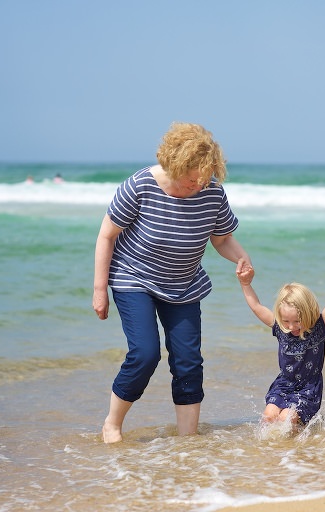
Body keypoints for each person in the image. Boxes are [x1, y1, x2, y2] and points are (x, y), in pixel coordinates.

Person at [92, 122, 251, 443]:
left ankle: (187, 439)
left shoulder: (212, 191)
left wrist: (242, 258)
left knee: (188, 361)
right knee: (145, 353)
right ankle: (112, 424)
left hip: (184, 284)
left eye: (204, 178)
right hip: (133, 278)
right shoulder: (139, 186)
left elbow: (222, 239)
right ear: (173, 166)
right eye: (191, 178)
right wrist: (99, 290)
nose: (198, 185)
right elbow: (107, 235)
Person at [235, 257, 325, 431]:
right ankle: (269, 451)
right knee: (269, 415)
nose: (291, 326)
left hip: (308, 389)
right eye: (286, 321)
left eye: (297, 321)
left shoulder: (319, 328)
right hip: (284, 384)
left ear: (308, 314)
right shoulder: (280, 328)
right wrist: (245, 284)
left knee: (287, 417)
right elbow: (256, 306)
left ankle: (294, 452)